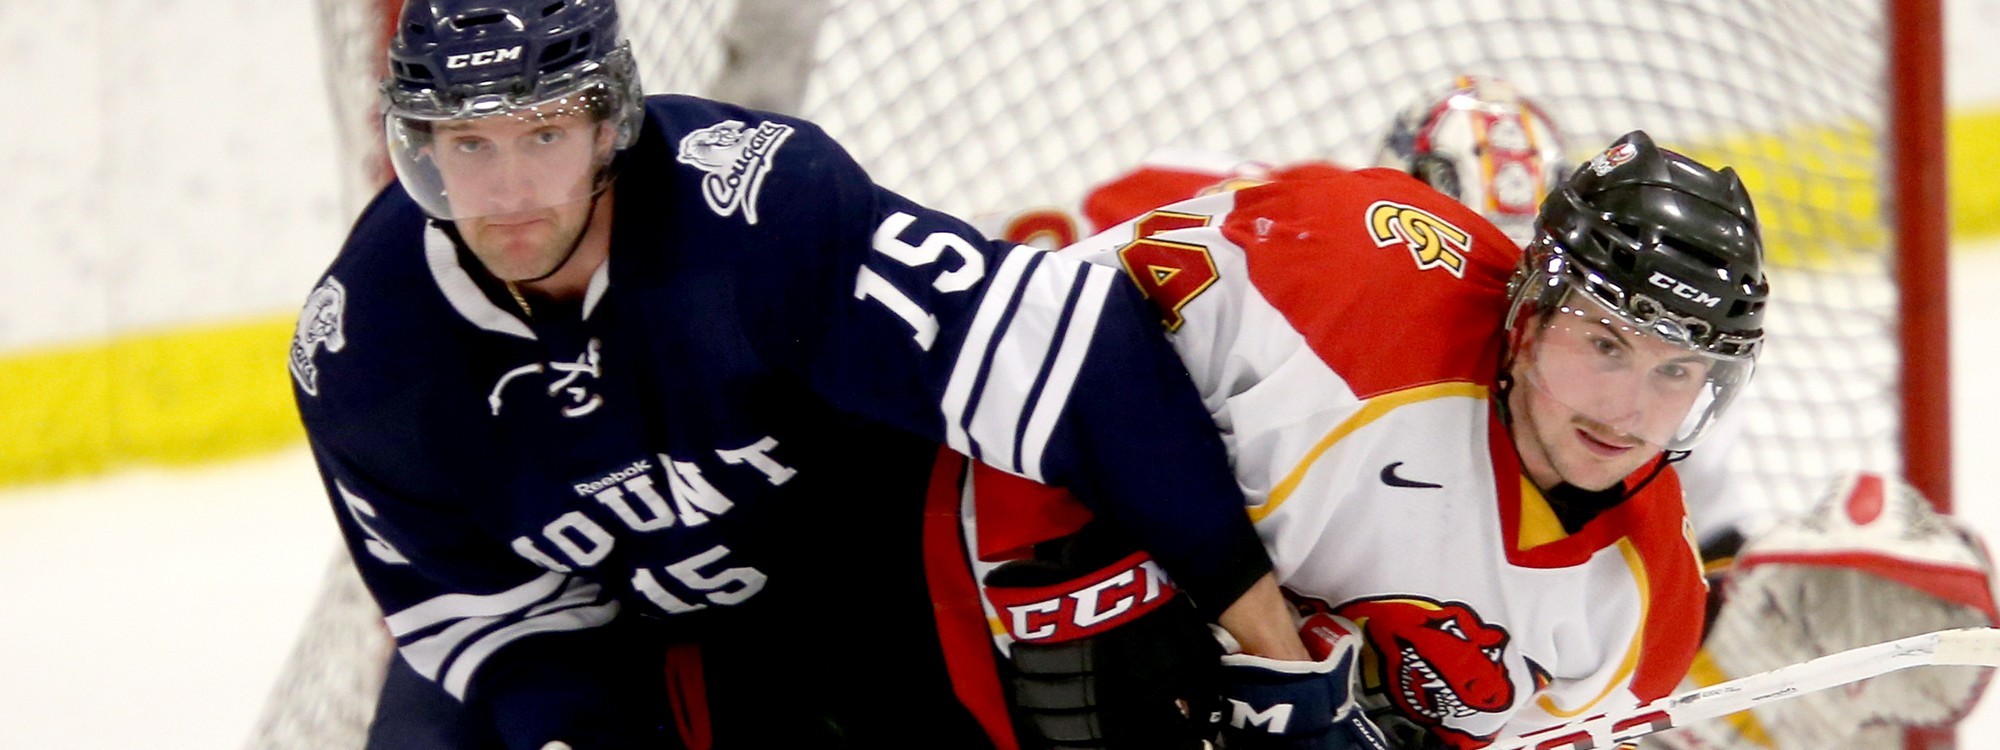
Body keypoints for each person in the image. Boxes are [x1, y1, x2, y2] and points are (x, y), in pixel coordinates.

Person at [287, 1, 1306, 747]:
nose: (507, 194)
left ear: (607, 125)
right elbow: (499, 626)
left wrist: (1274, 654)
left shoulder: (755, 212)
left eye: (543, 134)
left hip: (885, 583)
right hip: (656, 652)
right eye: (470, 144)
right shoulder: (366, 354)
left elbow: (1079, 355)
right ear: (419, 146)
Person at [968, 129, 1765, 749]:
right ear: (1528, 313)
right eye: (1604, 345)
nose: (1627, 412)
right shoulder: (1346, 282)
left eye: (1678, 372)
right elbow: (1043, 347)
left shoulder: (1645, 612)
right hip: (958, 576)